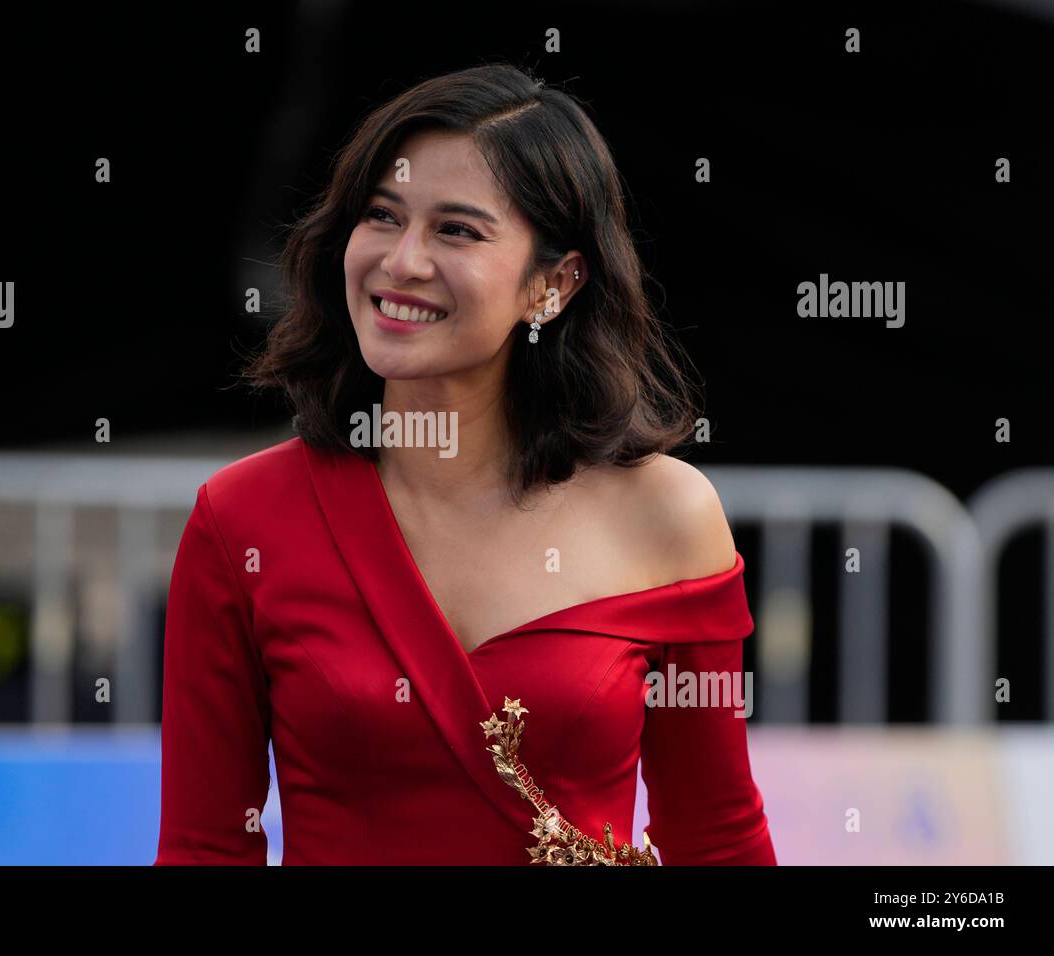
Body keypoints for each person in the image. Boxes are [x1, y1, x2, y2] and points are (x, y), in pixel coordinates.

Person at [155, 63, 776, 865]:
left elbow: (716, 836)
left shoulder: (668, 515)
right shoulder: (240, 519)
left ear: (553, 285)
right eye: (382, 216)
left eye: (457, 230)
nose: (402, 261)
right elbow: (205, 849)